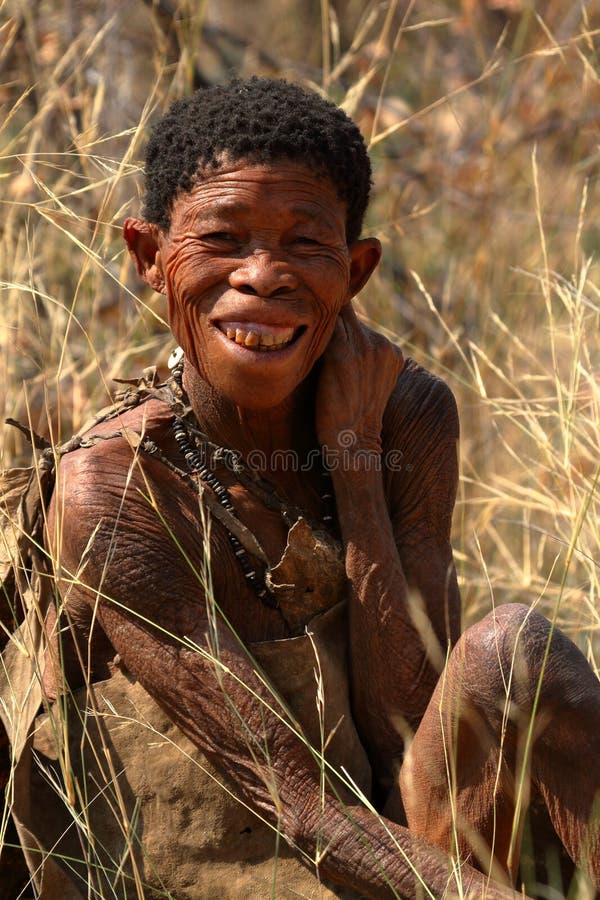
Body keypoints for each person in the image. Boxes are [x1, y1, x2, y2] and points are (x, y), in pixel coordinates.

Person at [1, 77, 598, 900]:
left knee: (515, 650)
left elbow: (404, 740)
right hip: (240, 869)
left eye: (305, 244)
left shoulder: (406, 415)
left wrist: (355, 462)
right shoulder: (114, 489)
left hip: (404, 843)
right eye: (222, 238)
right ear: (149, 257)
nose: (264, 275)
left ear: (355, 271)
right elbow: (300, 807)